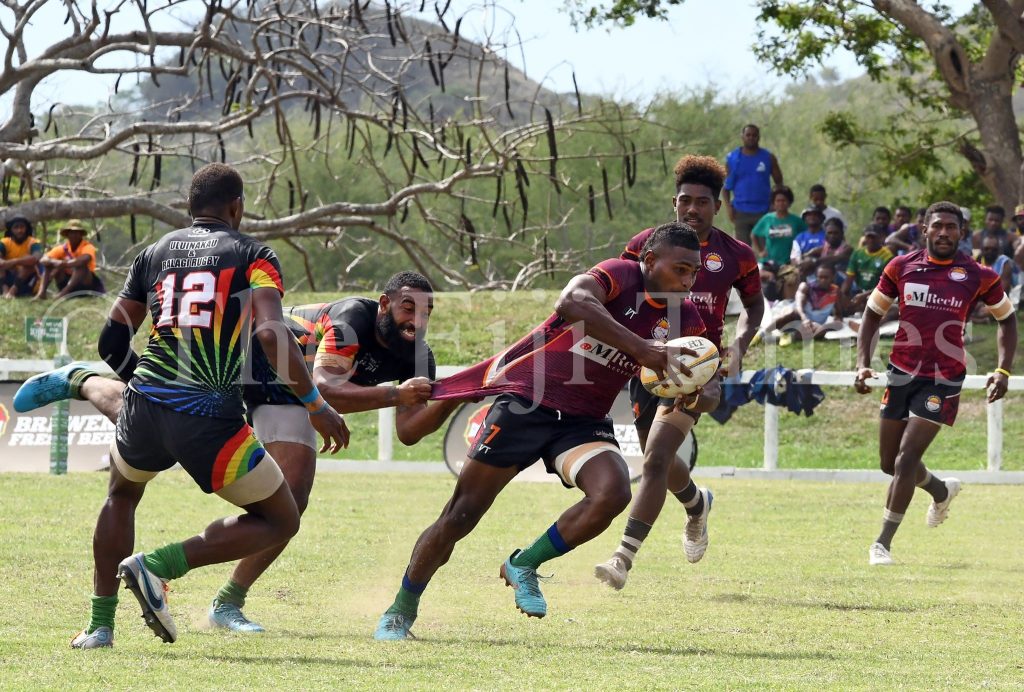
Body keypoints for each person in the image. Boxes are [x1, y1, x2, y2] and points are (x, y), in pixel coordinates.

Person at [15, 272, 463, 634]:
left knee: (288, 499)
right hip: (260, 367)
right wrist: (393, 394)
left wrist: (453, 398)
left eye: (427, 311)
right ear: (385, 304)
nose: (417, 319)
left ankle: (86, 382)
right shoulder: (353, 320)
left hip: (291, 391)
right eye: (409, 307)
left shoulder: (420, 356)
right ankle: (219, 599)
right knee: (169, 429)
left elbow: (407, 431)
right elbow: (326, 388)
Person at [372, 223, 708, 640]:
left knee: (613, 492)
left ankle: (524, 563)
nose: (688, 280)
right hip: (526, 402)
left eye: (694, 272)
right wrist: (641, 349)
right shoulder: (618, 274)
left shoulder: (686, 316)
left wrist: (696, 391)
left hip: (584, 419)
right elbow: (571, 301)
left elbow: (705, 374)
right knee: (459, 516)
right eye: (680, 269)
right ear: (650, 261)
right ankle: (400, 609)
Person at [64, 163, 349, 648]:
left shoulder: (153, 253)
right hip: (207, 412)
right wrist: (315, 403)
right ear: (236, 207)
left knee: (121, 496)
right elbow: (269, 332)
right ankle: (155, 567)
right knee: (281, 518)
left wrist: (145, 384)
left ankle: (99, 626)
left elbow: (112, 339)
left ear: (189, 208)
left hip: (145, 404)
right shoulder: (254, 254)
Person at [594, 155, 763, 590]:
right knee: (665, 466)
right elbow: (620, 295)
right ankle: (696, 503)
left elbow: (756, 305)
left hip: (697, 368)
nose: (693, 210)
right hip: (646, 362)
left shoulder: (737, 256)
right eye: (685, 201)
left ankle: (622, 558)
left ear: (717, 206)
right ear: (674, 203)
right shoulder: (646, 245)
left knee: (654, 460)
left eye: (702, 202)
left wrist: (739, 347)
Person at [854, 202, 1017, 566]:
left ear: (962, 232)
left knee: (907, 458)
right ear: (924, 228)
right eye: (938, 225)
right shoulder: (901, 267)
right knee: (889, 463)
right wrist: (862, 364)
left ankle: (882, 543)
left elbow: (1007, 320)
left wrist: (1002, 370)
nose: (944, 232)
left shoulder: (978, 275)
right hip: (900, 372)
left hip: (943, 378)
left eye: (952, 227)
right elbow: (871, 315)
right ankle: (941, 490)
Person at [723, 124, 784, 245]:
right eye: (748, 135)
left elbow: (779, 183)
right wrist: (728, 207)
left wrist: (774, 204)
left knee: (766, 249)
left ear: (759, 137)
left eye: (754, 135)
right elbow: (726, 187)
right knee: (742, 251)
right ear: (742, 137)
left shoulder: (768, 157)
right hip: (740, 211)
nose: (751, 138)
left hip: (764, 212)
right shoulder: (733, 158)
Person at [759, 264, 841, 345]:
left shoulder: (835, 292)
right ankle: (763, 333)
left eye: (826, 277)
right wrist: (804, 318)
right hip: (793, 317)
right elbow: (798, 306)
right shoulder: (806, 287)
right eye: (820, 277)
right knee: (793, 312)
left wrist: (836, 322)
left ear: (833, 277)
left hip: (809, 325)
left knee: (822, 331)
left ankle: (789, 337)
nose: (822, 280)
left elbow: (838, 314)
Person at [751, 185, 804, 300]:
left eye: (784, 200)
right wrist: (760, 251)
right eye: (778, 201)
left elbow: (805, 236)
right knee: (756, 278)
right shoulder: (767, 219)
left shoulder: (796, 221)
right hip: (768, 262)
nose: (781, 203)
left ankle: (786, 305)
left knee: (791, 279)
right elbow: (754, 234)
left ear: (789, 202)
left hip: (787, 262)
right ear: (773, 203)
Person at [35, 219, 105, 299]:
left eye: (76, 232)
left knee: (81, 266)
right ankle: (41, 293)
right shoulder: (63, 248)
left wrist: (63, 263)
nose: (74, 235)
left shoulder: (87, 247)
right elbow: (43, 260)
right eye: (71, 232)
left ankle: (63, 294)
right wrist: (53, 262)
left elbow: (83, 260)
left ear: (81, 234)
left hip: (84, 284)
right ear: (67, 234)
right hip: (65, 281)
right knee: (49, 265)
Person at [842, 225, 893, 314]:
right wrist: (843, 295)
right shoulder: (857, 253)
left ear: (881, 238)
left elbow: (886, 285)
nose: (871, 240)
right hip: (859, 290)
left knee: (870, 302)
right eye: (868, 237)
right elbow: (848, 280)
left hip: (877, 291)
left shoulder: (887, 257)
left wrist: (864, 295)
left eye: (874, 237)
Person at [974, 236, 1020, 321]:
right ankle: (979, 319)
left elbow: (1002, 293)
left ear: (998, 250)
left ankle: (976, 319)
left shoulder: (1005, 263)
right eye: (986, 249)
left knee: (987, 311)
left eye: (993, 249)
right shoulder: (978, 260)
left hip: (1004, 299)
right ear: (982, 249)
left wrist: (983, 304)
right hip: (984, 299)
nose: (989, 252)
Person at [0, 215, 42, 298]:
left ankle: (13, 291)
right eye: (16, 227)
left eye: (22, 227)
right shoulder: (5, 242)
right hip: (6, 279)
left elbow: (36, 258)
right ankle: (5, 290)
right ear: (11, 230)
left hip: (26, 281)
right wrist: (4, 263)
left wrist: (14, 261)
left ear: (26, 229)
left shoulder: (33, 242)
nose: (20, 230)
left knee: (28, 262)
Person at [793, 206, 827, 277]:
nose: (812, 217)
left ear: (821, 218)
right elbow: (794, 257)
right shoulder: (799, 237)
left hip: (824, 270)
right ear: (804, 219)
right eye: (809, 215)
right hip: (803, 270)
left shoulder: (827, 235)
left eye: (815, 215)